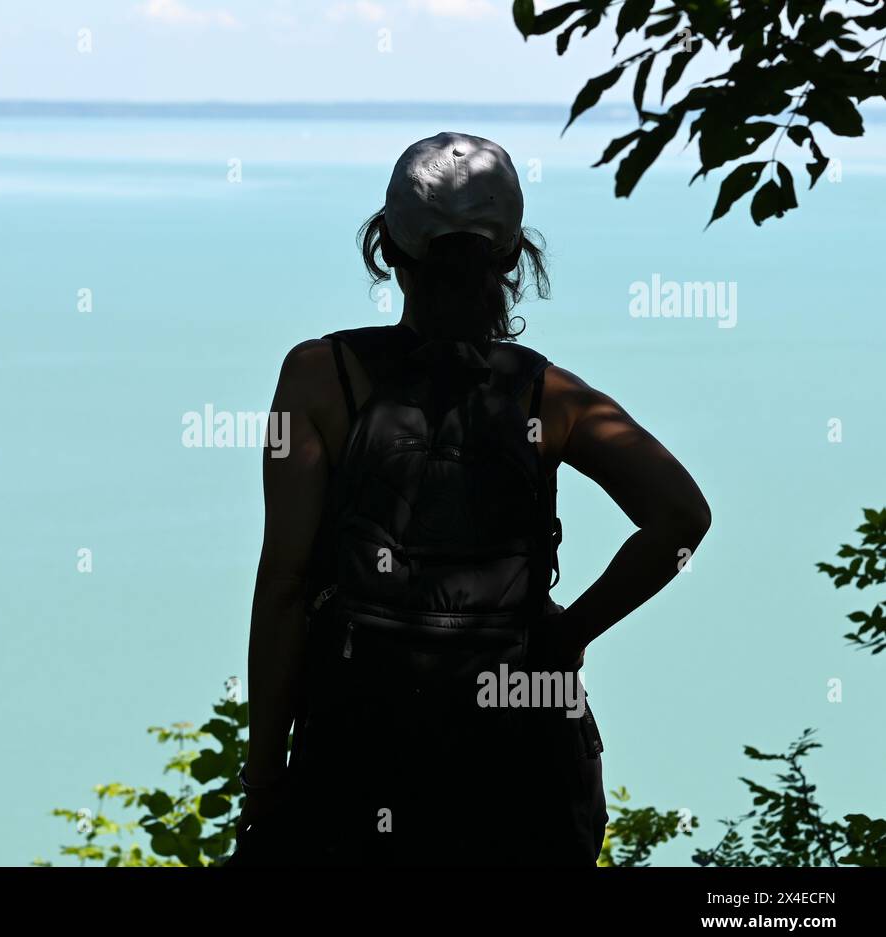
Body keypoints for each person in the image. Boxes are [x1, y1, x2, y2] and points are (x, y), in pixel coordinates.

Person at [232, 133, 711, 867]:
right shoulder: (551, 395)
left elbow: (286, 586)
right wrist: (568, 635)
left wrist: (266, 776)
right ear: (514, 258)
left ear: (386, 248)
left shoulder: (316, 378)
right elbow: (682, 516)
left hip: (365, 742)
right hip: (526, 744)